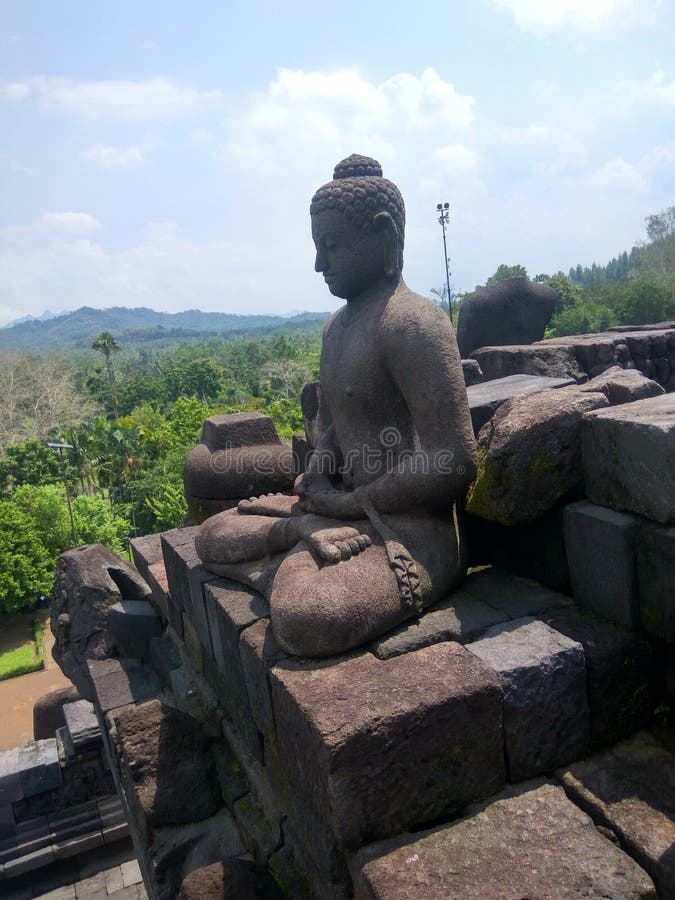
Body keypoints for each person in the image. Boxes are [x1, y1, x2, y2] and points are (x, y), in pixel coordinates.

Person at [196, 154, 476, 657]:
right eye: (316, 247)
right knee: (211, 533)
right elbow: (333, 428)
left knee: (309, 616)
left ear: (382, 233)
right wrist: (321, 478)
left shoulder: (413, 324)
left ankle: (286, 571)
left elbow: (453, 458)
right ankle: (299, 542)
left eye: (331, 247)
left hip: (409, 528)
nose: (320, 264)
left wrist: (353, 504)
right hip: (334, 513)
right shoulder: (335, 329)